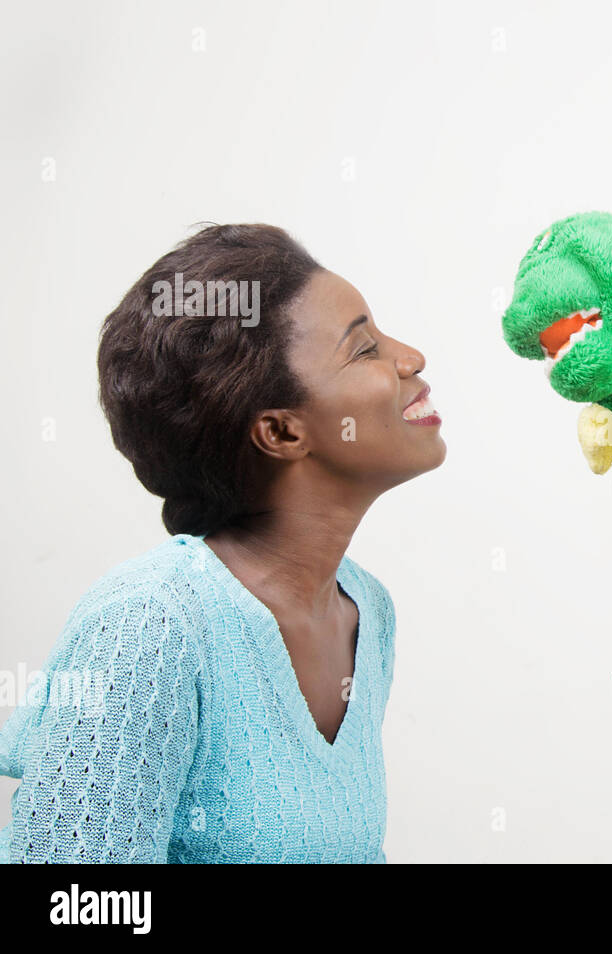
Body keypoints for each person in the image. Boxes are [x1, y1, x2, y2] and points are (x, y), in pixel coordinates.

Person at [0, 224, 445, 862]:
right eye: (364, 347)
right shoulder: (150, 625)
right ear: (281, 432)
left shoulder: (365, 611)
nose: (411, 358)